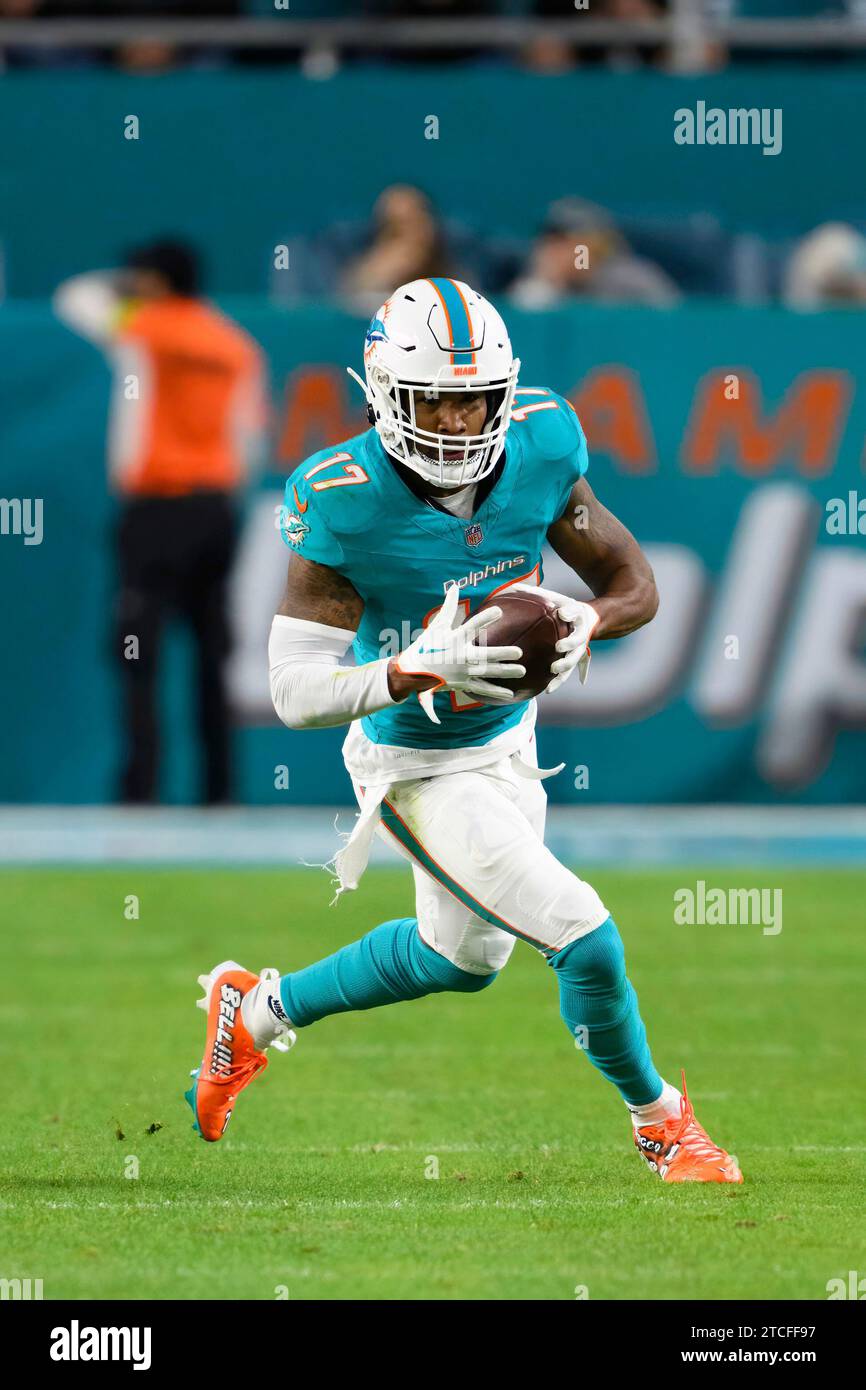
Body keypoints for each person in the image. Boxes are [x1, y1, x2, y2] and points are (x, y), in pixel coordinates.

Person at [185, 277, 741, 1184]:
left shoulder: (544, 442)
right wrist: (412, 668)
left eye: (474, 395)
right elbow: (289, 690)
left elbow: (633, 582)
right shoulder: (342, 497)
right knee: (584, 934)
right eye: (432, 397)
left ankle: (252, 1013)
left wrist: (587, 622)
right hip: (412, 757)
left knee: (462, 958)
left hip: (509, 742)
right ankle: (664, 1125)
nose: (455, 419)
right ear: (382, 396)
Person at [54, 240, 266, 804]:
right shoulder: (234, 343)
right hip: (216, 510)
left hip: (155, 512)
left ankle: (139, 796)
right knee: (210, 651)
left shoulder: (143, 325)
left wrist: (132, 287)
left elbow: (74, 298)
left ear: (152, 280)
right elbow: (251, 441)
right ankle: (220, 795)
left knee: (136, 650)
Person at [509, 197, 681, 308]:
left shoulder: (631, 278)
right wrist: (544, 281)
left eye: (567, 241)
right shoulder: (541, 278)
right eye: (553, 241)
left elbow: (672, 322)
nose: (558, 251)